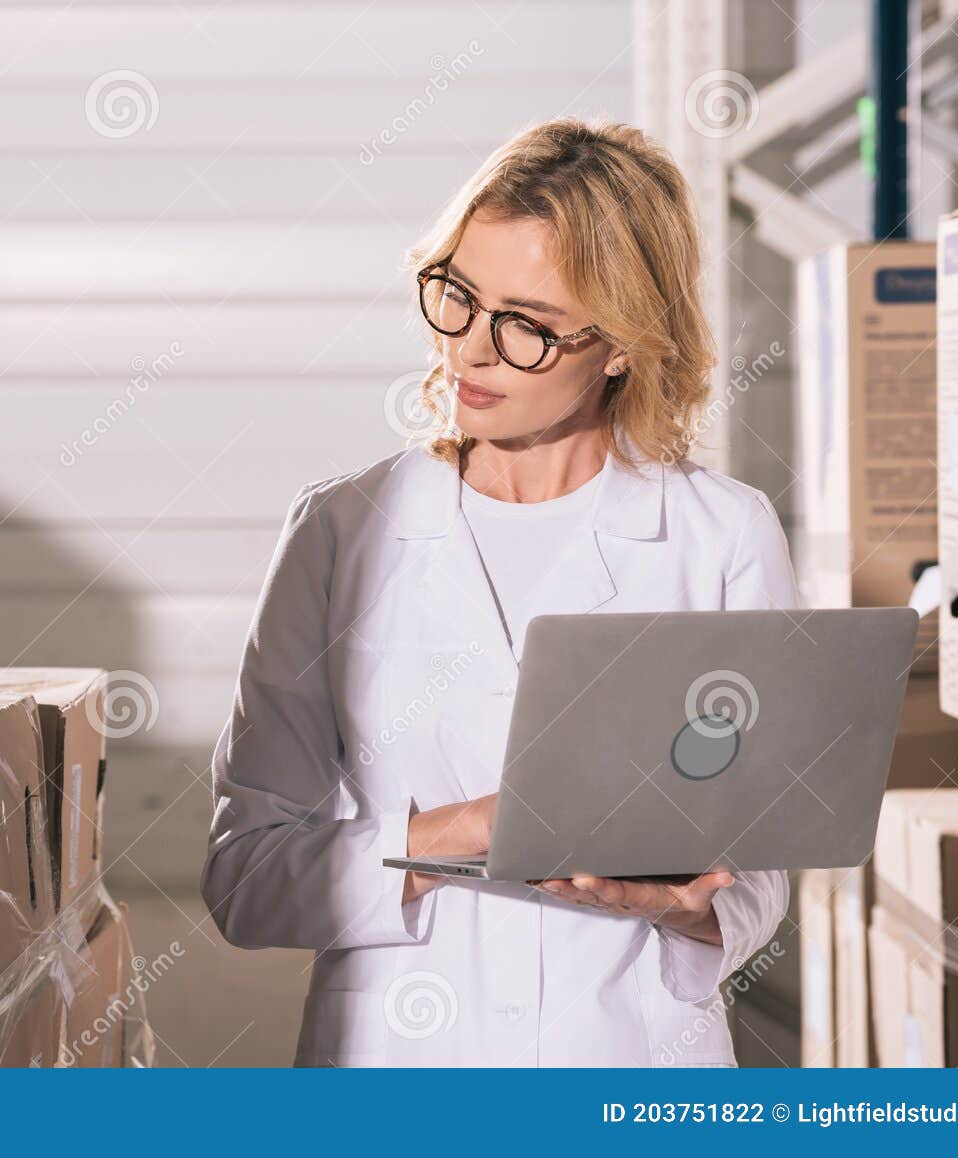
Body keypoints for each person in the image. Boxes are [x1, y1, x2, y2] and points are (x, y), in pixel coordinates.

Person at [199, 119, 799, 1066]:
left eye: (525, 325)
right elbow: (246, 878)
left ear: (621, 345)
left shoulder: (720, 535)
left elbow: (758, 877)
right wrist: (468, 829)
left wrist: (676, 908)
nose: (473, 351)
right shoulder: (340, 529)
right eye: (459, 298)